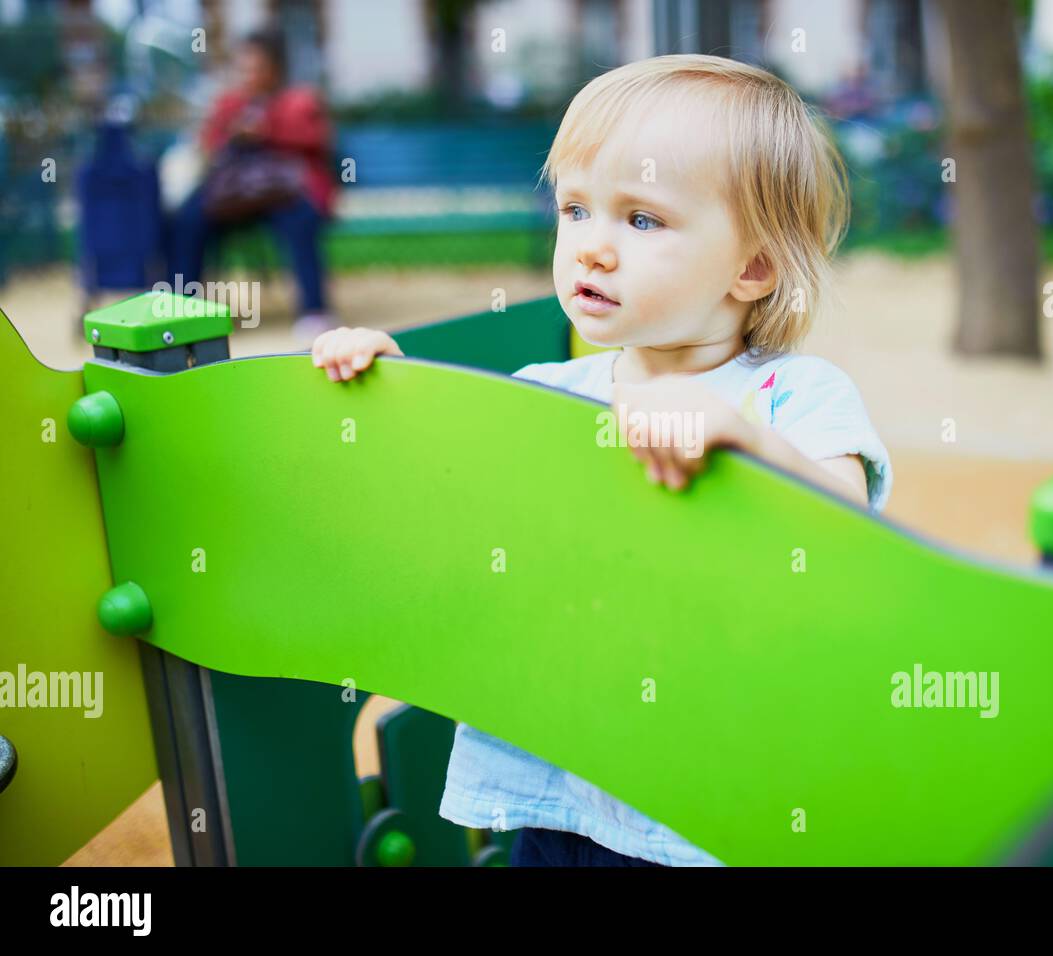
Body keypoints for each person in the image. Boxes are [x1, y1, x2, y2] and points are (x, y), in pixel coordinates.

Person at [309, 54, 892, 866]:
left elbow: (847, 529)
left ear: (752, 267)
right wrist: (392, 387)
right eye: (576, 210)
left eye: (641, 220)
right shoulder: (545, 390)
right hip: (557, 779)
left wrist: (746, 439)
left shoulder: (794, 395)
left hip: (710, 801)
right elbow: (446, 490)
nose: (592, 248)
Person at [168, 28, 336, 342]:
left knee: (300, 218)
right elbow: (210, 146)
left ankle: (315, 310)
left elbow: (318, 141)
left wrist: (268, 130)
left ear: (276, 69)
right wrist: (233, 133)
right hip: (236, 196)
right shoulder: (229, 104)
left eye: (257, 68)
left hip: (285, 192)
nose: (249, 75)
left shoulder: (299, 100)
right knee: (188, 218)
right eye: (243, 68)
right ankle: (179, 309)